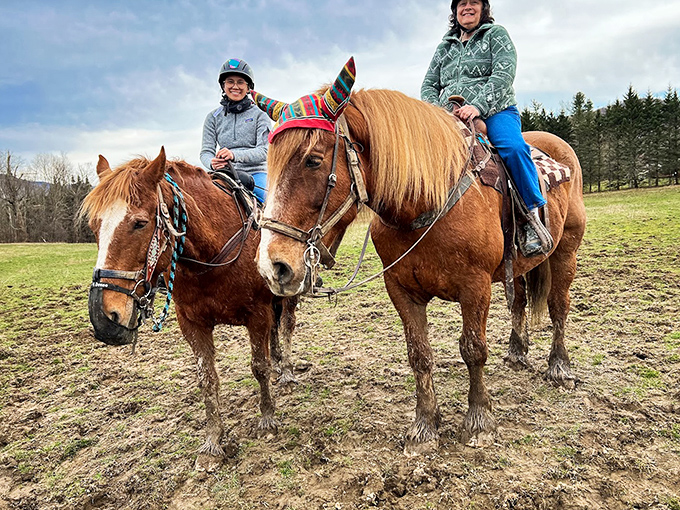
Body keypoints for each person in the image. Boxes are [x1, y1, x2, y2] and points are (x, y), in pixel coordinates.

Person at [421, 0, 553, 256]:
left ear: (483, 9)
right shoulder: (443, 48)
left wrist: (477, 106)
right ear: (455, 10)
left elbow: (503, 76)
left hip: (496, 111)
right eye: (462, 3)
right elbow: (428, 85)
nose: (467, 7)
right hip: (447, 116)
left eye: (474, 3)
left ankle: (530, 219)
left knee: (513, 149)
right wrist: (438, 111)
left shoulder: (497, 35)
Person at [200, 58, 270, 204]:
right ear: (223, 85)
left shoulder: (260, 114)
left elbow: (265, 151)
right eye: (230, 81)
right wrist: (212, 163)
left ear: (249, 87)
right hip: (224, 173)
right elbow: (206, 152)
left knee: (268, 201)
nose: (235, 86)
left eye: (240, 82)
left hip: (256, 173)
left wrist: (233, 155)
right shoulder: (212, 117)